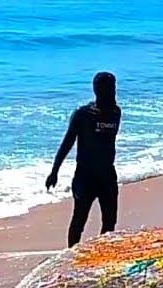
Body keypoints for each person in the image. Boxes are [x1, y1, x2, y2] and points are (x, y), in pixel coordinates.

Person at [45, 72, 122, 248]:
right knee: (79, 220)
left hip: (108, 175)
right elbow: (67, 143)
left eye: (113, 88)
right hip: (85, 176)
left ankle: (102, 255)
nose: (112, 92)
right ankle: (71, 255)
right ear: (96, 90)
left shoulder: (116, 112)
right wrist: (54, 171)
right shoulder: (83, 115)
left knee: (110, 222)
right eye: (107, 88)